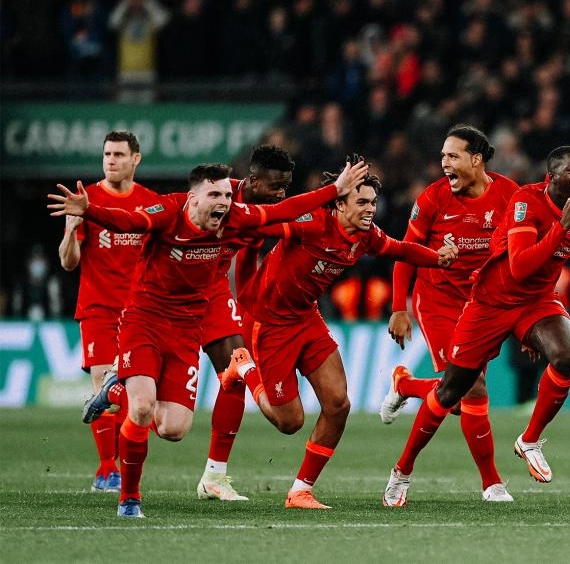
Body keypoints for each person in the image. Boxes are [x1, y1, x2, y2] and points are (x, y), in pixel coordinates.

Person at [47, 159, 369, 518]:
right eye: (215, 195)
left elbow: (283, 211)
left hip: (195, 312)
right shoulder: (169, 210)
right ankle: (130, 498)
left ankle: (127, 393)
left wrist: (334, 189)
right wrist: (91, 211)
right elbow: (131, 221)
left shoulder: (237, 215)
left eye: (227, 195)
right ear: (194, 198)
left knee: (174, 428)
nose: (224, 202)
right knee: (142, 408)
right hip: (147, 318)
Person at [223, 165, 458, 510]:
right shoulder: (311, 224)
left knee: (338, 404)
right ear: (339, 204)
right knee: (290, 422)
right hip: (269, 323)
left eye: (373, 202)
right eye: (361, 202)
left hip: (307, 319)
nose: (369, 209)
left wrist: (437, 258)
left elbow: (399, 250)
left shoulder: (365, 236)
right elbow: (264, 222)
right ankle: (243, 368)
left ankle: (300, 490)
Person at [382, 145, 570, 507]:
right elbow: (519, 267)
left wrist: (532, 329)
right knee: (453, 393)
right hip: (489, 301)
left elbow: (548, 266)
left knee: (565, 355)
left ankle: (527, 442)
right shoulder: (525, 203)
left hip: (535, 300)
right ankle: (402, 470)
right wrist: (561, 227)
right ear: (551, 176)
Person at [380, 124, 519, 503]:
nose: (445, 164)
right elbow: (405, 251)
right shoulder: (432, 200)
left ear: (476, 160)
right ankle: (491, 483)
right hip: (438, 300)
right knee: (469, 387)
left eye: (452, 156)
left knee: (458, 397)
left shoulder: (510, 195)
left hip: (483, 305)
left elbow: (522, 253)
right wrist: (398, 308)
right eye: (442, 156)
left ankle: (405, 385)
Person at [57, 130, 160, 492]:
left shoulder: (150, 203)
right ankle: (107, 469)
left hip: (141, 313)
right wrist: (70, 231)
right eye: (106, 154)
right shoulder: (88, 200)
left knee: (133, 396)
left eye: (118, 154)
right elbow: (69, 263)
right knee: (104, 382)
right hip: (98, 308)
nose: (111, 160)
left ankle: (123, 463)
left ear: (136, 159)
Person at [196, 145, 295, 502]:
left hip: (215, 292)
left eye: (286, 186)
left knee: (234, 372)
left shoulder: (263, 212)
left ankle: (214, 476)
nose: (282, 193)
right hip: (174, 290)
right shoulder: (218, 197)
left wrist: (247, 300)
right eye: (277, 185)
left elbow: (250, 251)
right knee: (166, 421)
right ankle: (117, 384)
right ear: (253, 180)